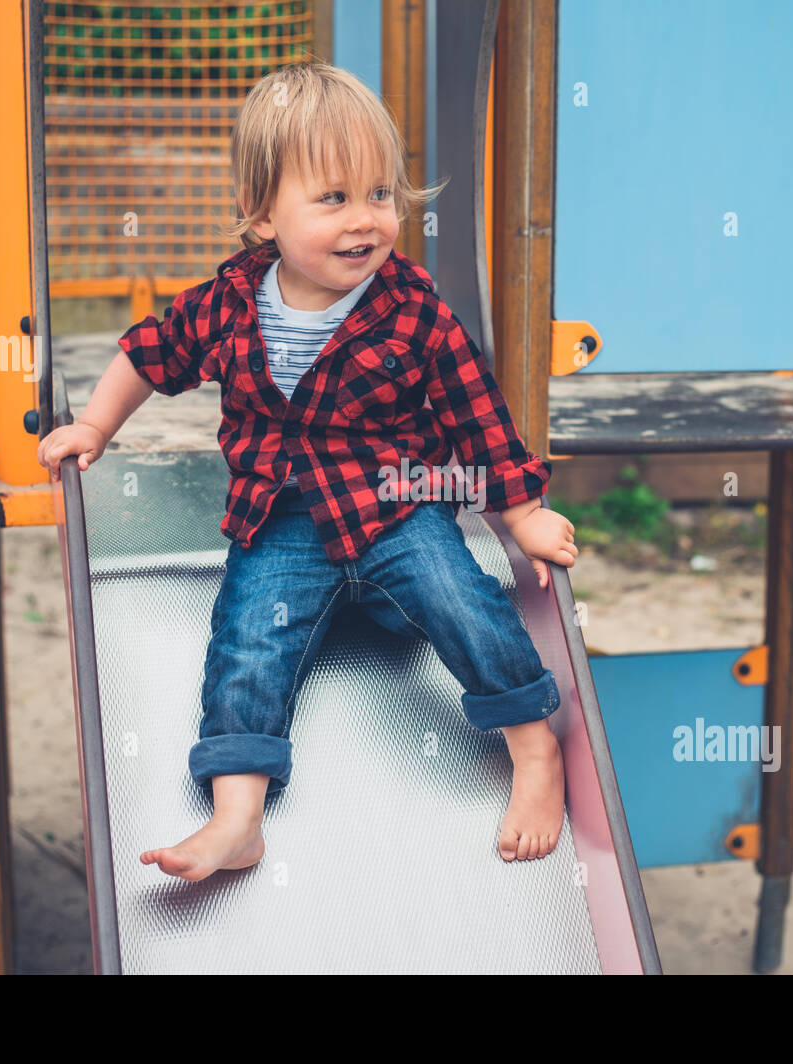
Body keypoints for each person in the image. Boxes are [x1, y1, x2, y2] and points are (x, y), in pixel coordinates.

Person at [37, 61, 579, 880]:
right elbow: (147, 353)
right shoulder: (229, 301)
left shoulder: (413, 307)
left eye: (380, 194)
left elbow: (478, 415)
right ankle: (237, 815)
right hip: (283, 522)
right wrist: (93, 426)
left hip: (395, 510)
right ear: (262, 216)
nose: (366, 220)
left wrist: (521, 513)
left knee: (461, 598)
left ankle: (534, 750)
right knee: (246, 642)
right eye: (334, 199)